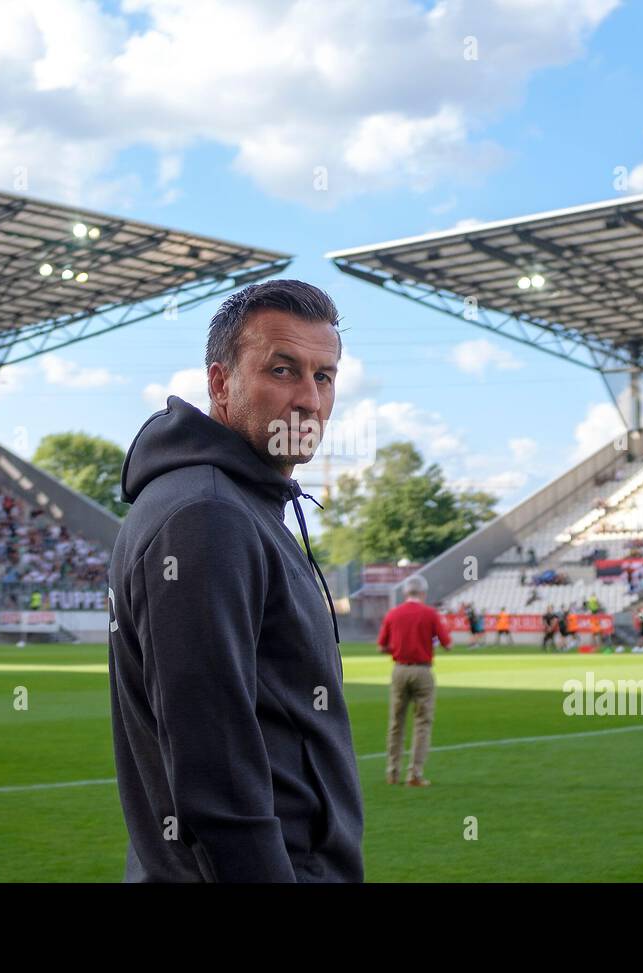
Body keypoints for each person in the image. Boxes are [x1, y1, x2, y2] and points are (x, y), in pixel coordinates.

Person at [106, 280, 363, 883]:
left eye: (324, 377)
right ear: (222, 384)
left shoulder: (231, 504)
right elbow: (213, 769)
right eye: (282, 369)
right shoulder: (208, 516)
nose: (309, 399)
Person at [378, 575, 451, 787]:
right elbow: (447, 643)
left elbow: (382, 646)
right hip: (422, 671)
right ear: (423, 593)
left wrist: (400, 648)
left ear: (405, 593)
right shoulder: (430, 614)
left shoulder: (393, 613)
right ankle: (415, 774)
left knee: (396, 722)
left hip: (399, 669)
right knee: (422, 723)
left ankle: (392, 772)